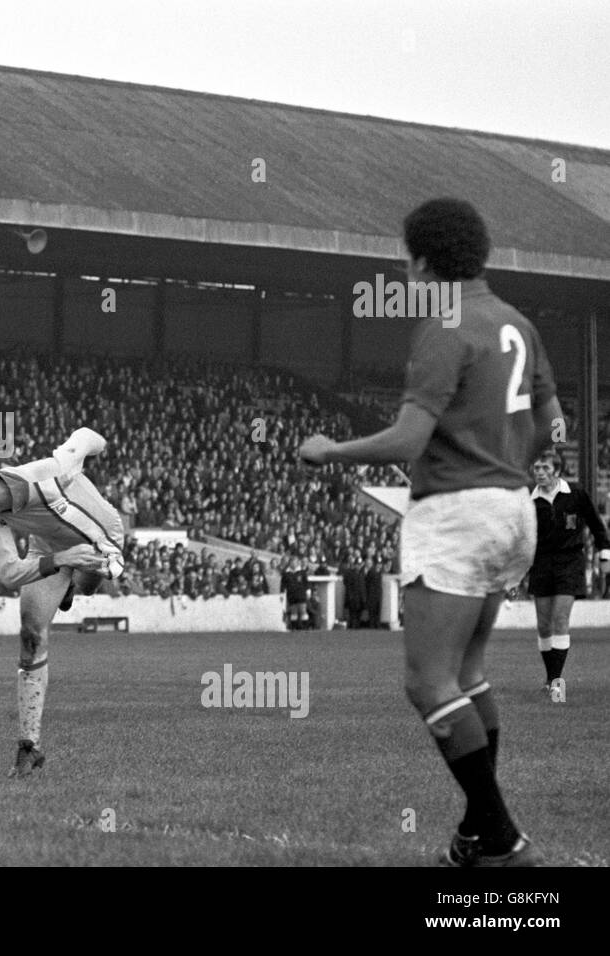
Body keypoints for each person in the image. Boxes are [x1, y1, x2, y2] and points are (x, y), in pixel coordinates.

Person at [299, 198, 551, 866]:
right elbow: (552, 424)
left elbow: (411, 440)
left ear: (420, 259)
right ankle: (477, 836)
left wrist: (330, 450)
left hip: (457, 513)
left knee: (428, 682)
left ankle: (501, 837)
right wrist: (506, 467)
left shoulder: (446, 325)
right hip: (513, 509)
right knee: (467, 672)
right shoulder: (516, 322)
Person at [0, 428, 122, 777]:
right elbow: (9, 572)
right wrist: (61, 558)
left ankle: (72, 587)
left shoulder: (48, 473)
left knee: (89, 583)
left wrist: (98, 447)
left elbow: (85, 435)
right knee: (31, 635)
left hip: (102, 542)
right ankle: (29, 747)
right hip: (53, 548)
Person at [527, 449, 610, 702]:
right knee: (544, 625)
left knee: (560, 620)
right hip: (541, 563)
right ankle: (550, 677)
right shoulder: (529, 501)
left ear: (557, 471)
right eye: (537, 469)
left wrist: (605, 558)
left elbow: (597, 526)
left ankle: (556, 683)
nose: (540, 473)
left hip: (570, 562)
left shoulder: (576, 495)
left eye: (545, 469)